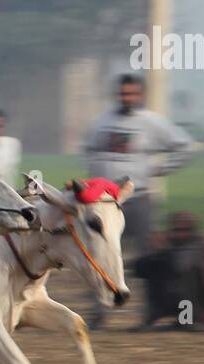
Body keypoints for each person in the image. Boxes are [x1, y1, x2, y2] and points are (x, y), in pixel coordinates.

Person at [83, 74, 194, 261]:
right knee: (104, 247)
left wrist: (159, 169)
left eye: (131, 94)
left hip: (140, 198)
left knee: (147, 251)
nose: (127, 98)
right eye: (123, 94)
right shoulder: (103, 121)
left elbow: (185, 146)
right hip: (108, 199)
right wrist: (96, 172)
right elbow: (88, 149)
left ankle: (149, 288)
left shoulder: (151, 122)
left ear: (140, 95)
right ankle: (106, 288)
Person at [131, 212, 204, 329]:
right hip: (170, 298)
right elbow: (137, 270)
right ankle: (152, 315)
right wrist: (155, 253)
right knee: (153, 268)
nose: (181, 234)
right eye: (177, 230)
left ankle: (186, 319)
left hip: (197, 301)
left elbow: (184, 266)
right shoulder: (165, 244)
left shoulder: (200, 246)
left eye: (185, 230)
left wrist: (165, 252)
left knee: (187, 276)